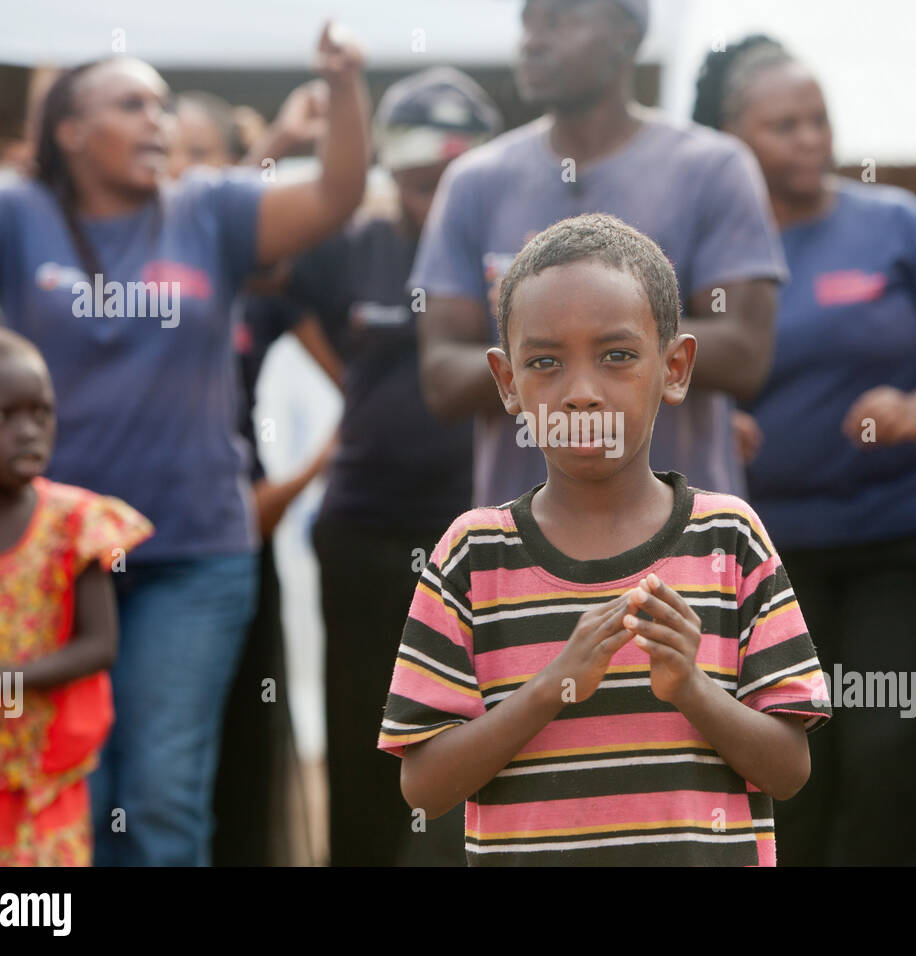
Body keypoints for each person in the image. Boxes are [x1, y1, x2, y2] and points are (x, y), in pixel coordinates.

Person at [0, 22, 370, 866]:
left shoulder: (213, 210)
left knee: (161, 800)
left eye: (163, 104)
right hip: (47, 563)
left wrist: (345, 86)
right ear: (70, 130)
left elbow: (338, 194)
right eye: (131, 104)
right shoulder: (19, 218)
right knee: (65, 790)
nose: (157, 119)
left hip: (193, 552)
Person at [378, 213, 830, 866]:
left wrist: (691, 688)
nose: (582, 394)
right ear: (508, 384)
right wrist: (553, 685)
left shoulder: (730, 541)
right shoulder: (473, 556)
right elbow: (423, 786)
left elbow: (789, 769)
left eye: (617, 356)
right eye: (545, 362)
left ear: (674, 368)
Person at [691, 36, 916, 865]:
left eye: (817, 120)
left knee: (886, 749)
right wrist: (712, 420)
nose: (809, 138)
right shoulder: (709, 252)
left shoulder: (894, 222)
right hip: (769, 561)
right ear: (730, 138)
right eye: (783, 124)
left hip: (900, 542)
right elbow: (668, 368)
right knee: (795, 767)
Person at [412, 0, 785, 509]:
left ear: (627, 36)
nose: (534, 40)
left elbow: (745, 353)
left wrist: (555, 344)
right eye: (528, 23)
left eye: (561, 20)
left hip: (687, 549)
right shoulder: (475, 183)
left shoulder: (712, 169)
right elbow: (442, 379)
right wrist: (588, 348)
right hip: (520, 557)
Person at [286, 67, 499, 866]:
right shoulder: (353, 244)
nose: (428, 189)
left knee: (485, 734)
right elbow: (268, 282)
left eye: (444, 172)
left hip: (482, 532)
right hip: (366, 530)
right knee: (366, 731)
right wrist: (352, 381)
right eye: (413, 173)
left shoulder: (514, 252)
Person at [165, 84, 340, 866]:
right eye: (170, 152)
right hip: (119, 537)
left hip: (227, 531)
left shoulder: (255, 283)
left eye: (199, 155)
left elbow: (358, 385)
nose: (182, 171)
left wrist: (302, 476)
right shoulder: (105, 263)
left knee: (234, 740)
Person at [0, 329, 151, 865]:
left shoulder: (75, 525)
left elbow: (100, 646)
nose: (30, 432)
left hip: (41, 787)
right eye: (4, 416)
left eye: (41, 413)